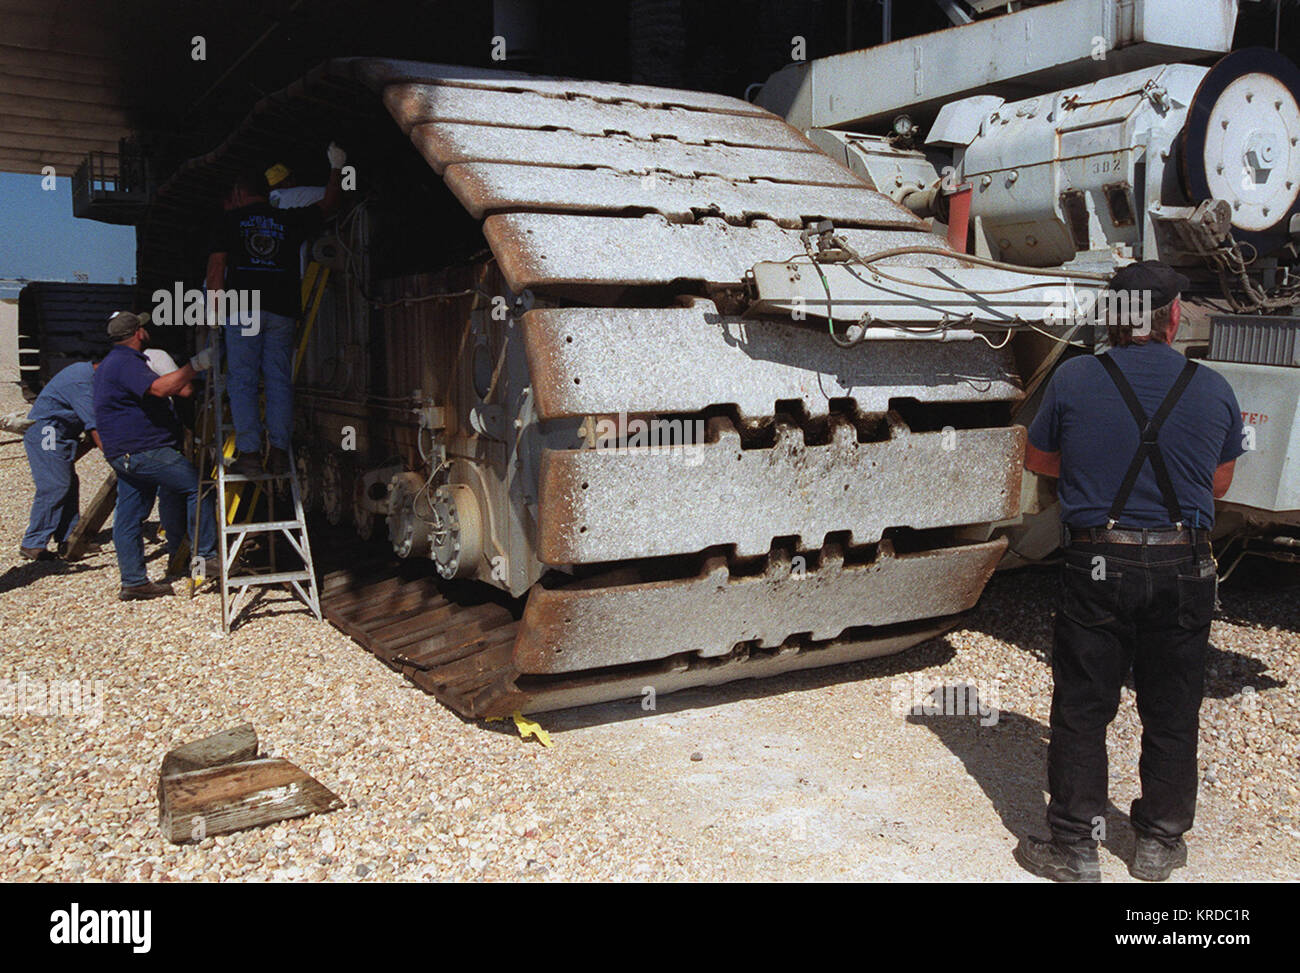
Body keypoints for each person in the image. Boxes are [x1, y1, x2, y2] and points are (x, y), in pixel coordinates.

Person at [1016, 261, 1246, 882]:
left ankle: (1076, 847)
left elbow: (1041, 460)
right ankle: (1158, 844)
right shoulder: (1213, 387)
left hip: (1098, 561)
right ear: (1173, 317)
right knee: (1173, 706)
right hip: (1184, 563)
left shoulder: (1074, 380)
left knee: (1084, 706)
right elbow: (1219, 482)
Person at [205, 142, 345, 477]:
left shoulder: (229, 221)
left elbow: (216, 270)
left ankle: (251, 454)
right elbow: (329, 204)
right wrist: (337, 167)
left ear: (239, 193)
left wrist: (213, 314)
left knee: (243, 381)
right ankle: (280, 450)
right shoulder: (288, 219)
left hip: (244, 310)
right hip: (282, 309)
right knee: (279, 380)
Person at [92, 311, 218, 600]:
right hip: (143, 450)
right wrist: (196, 364)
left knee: (129, 515)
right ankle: (206, 558)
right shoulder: (126, 362)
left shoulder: (111, 363)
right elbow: (161, 388)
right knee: (198, 487)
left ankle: (134, 581)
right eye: (143, 327)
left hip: (123, 453)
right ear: (138, 333)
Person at [19, 359, 103, 560]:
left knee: (68, 482)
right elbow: (94, 425)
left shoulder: (88, 376)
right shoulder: (82, 383)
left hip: (60, 435)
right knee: (55, 485)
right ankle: (33, 542)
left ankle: (70, 537)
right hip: (47, 433)